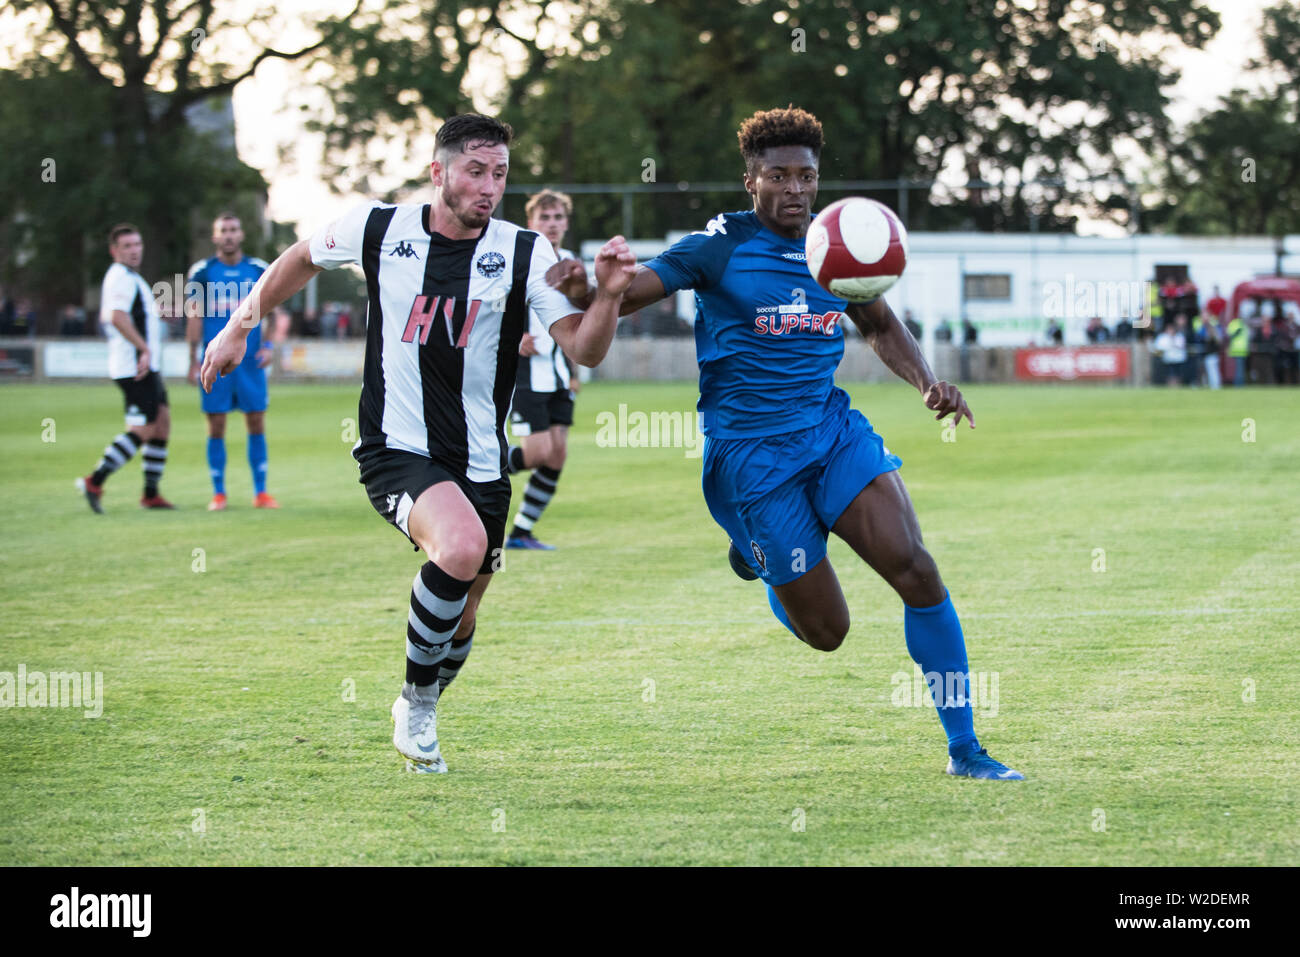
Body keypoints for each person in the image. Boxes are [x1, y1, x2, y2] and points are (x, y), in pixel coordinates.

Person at [550, 106, 1021, 781]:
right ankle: (757, 555)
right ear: (752, 181)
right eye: (779, 176)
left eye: (806, 175)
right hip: (751, 459)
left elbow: (880, 322)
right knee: (828, 632)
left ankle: (966, 748)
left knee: (916, 568)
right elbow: (630, 296)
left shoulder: (835, 245)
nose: (795, 189)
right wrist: (599, 289)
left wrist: (927, 381)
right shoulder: (719, 245)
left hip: (831, 433)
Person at [200, 114, 636, 773]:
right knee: (459, 548)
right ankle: (417, 701)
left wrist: (606, 296)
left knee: (464, 612)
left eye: (500, 174)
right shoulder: (378, 227)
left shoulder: (524, 252)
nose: (490, 186)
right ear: (438, 172)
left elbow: (584, 347)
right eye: (475, 171)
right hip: (394, 446)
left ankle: (424, 695)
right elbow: (300, 259)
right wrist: (240, 326)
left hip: (484, 462)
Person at [187, 212, 283, 510]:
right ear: (215, 237)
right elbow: (194, 316)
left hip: (250, 362)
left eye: (233, 230)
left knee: (256, 420)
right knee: (216, 424)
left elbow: (275, 313)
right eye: (223, 231)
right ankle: (219, 493)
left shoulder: (258, 269)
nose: (229, 235)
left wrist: (268, 346)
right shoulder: (202, 272)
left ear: (241, 235)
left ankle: (261, 492)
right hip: (214, 360)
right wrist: (192, 359)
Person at [504, 189, 582, 550]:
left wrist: (574, 370)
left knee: (557, 454)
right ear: (531, 223)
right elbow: (490, 305)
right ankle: (468, 467)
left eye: (557, 218)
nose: (551, 224)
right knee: (535, 453)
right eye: (544, 218)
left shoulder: (571, 263)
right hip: (524, 376)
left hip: (557, 377)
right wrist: (512, 338)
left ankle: (521, 531)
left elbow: (575, 321)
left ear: (565, 223)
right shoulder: (519, 259)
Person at [76, 224, 173, 512]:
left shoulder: (133, 278)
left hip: (145, 365)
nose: (134, 250)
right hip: (134, 366)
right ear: (114, 251)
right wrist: (143, 347)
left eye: (137, 244)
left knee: (162, 422)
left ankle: (151, 493)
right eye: (127, 246)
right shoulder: (119, 277)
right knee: (143, 428)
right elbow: (117, 317)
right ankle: (95, 480)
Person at [1154, 314, 1188, 386]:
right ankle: (1170, 385)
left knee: (1177, 373)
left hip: (1178, 358)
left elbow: (1181, 345)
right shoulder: (1163, 337)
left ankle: (1177, 385)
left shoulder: (1179, 336)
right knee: (1170, 374)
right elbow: (1158, 347)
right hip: (1168, 359)